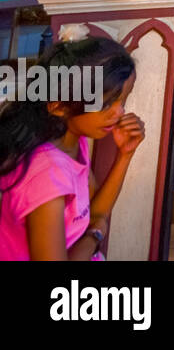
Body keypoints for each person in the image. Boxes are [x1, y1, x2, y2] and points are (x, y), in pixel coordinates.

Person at [0, 38, 145, 260]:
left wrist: (125, 154)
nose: (119, 113)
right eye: (106, 104)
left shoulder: (71, 141)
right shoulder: (46, 174)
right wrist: (94, 237)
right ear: (59, 105)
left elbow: (96, 213)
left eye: (122, 101)